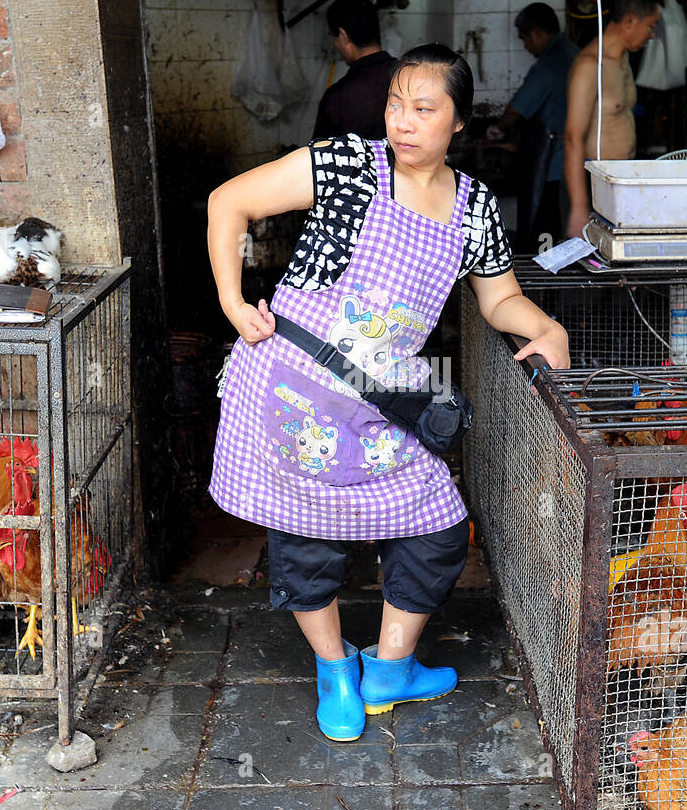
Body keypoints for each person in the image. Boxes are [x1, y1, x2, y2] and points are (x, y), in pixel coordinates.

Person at [208, 44, 571, 742]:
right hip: (296, 387)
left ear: (459, 122)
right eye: (396, 104)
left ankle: (391, 667)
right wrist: (230, 299)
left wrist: (545, 325)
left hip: (380, 402)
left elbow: (500, 299)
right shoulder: (349, 164)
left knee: (436, 526)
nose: (403, 121)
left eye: (424, 108)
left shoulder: (473, 209)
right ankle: (336, 669)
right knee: (305, 538)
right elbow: (232, 202)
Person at [563, 0, 661, 237]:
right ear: (629, 21)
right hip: (595, 184)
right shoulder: (590, 66)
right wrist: (578, 208)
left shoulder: (623, 59)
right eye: (650, 26)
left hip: (622, 180)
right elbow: (572, 138)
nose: (651, 35)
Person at [486, 3, 579, 250]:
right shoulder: (577, 55)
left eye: (525, 39)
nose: (526, 46)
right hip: (581, 161)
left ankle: (543, 282)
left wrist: (498, 129)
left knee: (544, 226)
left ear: (537, 33)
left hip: (552, 164)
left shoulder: (547, 67)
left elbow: (515, 111)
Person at [313, 0, 396, 141]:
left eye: (334, 36)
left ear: (344, 36)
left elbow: (320, 157)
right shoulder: (406, 76)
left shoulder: (337, 97)